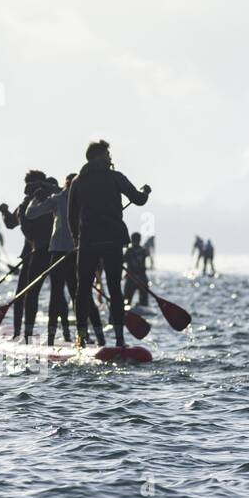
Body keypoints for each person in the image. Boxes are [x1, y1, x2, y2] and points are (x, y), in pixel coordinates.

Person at [67, 139, 151, 348]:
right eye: (107, 155)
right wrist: (146, 192)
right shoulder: (115, 177)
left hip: (87, 242)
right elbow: (139, 200)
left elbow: (71, 216)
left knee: (83, 289)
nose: (110, 158)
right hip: (112, 241)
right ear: (97, 156)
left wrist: (77, 239)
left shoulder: (78, 181)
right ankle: (120, 339)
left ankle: (81, 337)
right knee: (114, 288)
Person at [0, 171, 53, 342]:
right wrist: (5, 212)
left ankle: (75, 335)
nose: (31, 190)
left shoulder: (52, 201)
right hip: (35, 254)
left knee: (34, 295)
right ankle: (19, 333)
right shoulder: (26, 204)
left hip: (50, 253)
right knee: (23, 295)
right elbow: (10, 223)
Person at [26, 174, 78, 346]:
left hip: (65, 252)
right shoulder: (58, 198)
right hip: (61, 252)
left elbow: (30, 214)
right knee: (62, 295)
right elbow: (29, 215)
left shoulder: (63, 198)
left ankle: (77, 336)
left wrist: (35, 198)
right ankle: (52, 337)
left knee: (68, 295)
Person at [123, 232, 151, 308]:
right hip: (133, 278)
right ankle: (128, 306)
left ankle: (140, 306)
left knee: (143, 301)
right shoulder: (131, 251)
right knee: (127, 299)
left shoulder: (142, 251)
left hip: (138, 278)